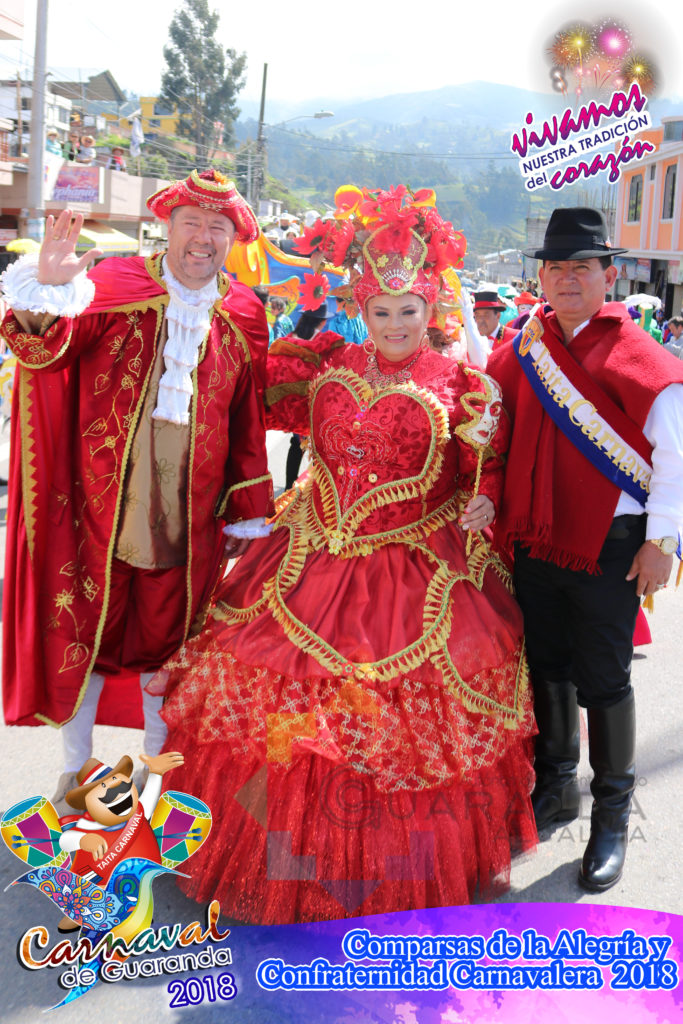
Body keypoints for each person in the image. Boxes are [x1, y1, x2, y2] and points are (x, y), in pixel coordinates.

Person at [154, 184, 537, 924]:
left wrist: (485, 494)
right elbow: (235, 389)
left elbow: (482, 463)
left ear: (432, 312)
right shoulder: (323, 365)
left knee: (389, 734)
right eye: (381, 312)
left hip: (414, 569)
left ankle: (384, 875)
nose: (395, 325)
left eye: (409, 312)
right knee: (279, 716)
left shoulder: (465, 388)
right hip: (306, 560)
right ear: (360, 311)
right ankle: (271, 856)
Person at [0, 169, 274, 810]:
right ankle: (73, 777)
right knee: (85, 643)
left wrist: (248, 512)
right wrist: (46, 291)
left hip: (189, 519)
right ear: (167, 227)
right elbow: (45, 356)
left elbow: (248, 420)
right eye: (192, 224)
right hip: (97, 510)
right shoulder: (114, 285)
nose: (203, 239)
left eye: (218, 228)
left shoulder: (243, 312)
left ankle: (153, 782)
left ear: (233, 239)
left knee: (168, 652)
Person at [488, 207, 683, 893]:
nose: (567, 279)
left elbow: (673, 461)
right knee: (546, 665)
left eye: (581, 267)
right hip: (535, 541)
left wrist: (662, 543)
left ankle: (610, 817)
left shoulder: (641, 356)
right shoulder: (522, 348)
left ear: (609, 274)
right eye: (555, 267)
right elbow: (482, 418)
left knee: (604, 678)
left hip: (610, 546)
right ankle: (556, 788)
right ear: (540, 275)